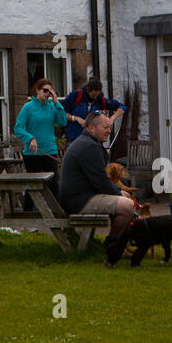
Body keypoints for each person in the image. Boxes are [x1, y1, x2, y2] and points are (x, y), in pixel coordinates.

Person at [59, 111, 138, 267]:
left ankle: (120, 244)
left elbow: (99, 180)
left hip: (82, 197)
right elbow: (100, 180)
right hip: (80, 201)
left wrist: (118, 192)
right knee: (127, 206)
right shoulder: (88, 147)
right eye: (105, 127)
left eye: (110, 127)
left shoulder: (87, 143)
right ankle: (113, 245)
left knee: (126, 199)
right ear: (91, 128)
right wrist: (118, 192)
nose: (109, 130)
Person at [14, 78, 64, 176]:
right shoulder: (28, 107)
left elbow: (62, 122)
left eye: (50, 92)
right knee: (33, 186)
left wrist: (57, 103)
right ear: (37, 90)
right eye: (45, 90)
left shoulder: (52, 107)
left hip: (50, 151)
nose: (47, 94)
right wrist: (30, 138)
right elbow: (18, 128)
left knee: (53, 185)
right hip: (32, 153)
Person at [60, 77, 125, 145]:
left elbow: (122, 107)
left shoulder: (100, 100)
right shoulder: (75, 96)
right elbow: (61, 113)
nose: (95, 98)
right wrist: (76, 118)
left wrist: (111, 119)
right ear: (88, 91)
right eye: (93, 95)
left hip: (94, 140)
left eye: (97, 95)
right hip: (75, 139)